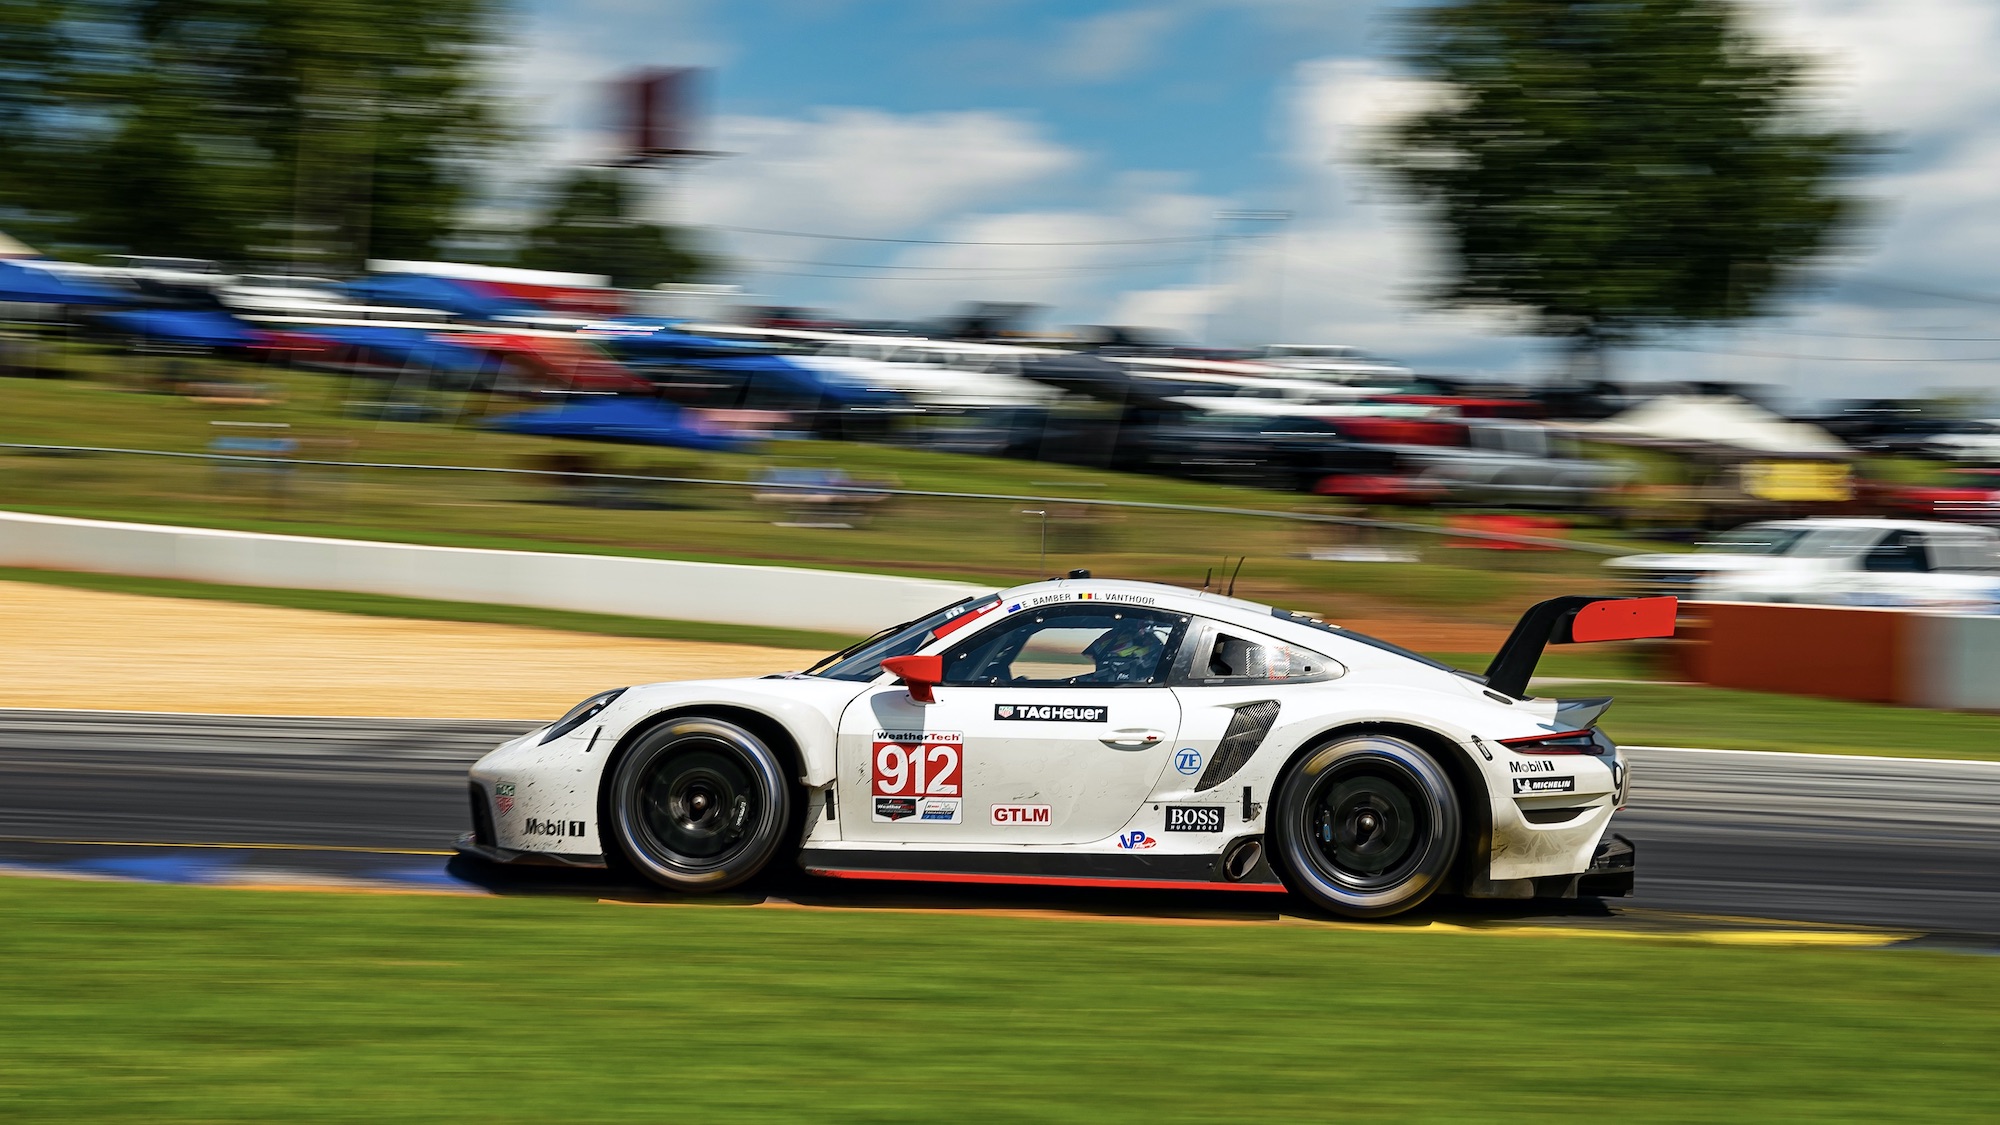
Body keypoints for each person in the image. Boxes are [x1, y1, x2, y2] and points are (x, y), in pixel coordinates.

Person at [1080, 618, 1166, 683]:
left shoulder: (1155, 644)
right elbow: (1087, 656)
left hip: (1140, 686)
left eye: (1147, 625)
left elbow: (1161, 670)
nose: (1143, 630)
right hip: (1100, 684)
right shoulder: (1111, 636)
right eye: (1143, 624)